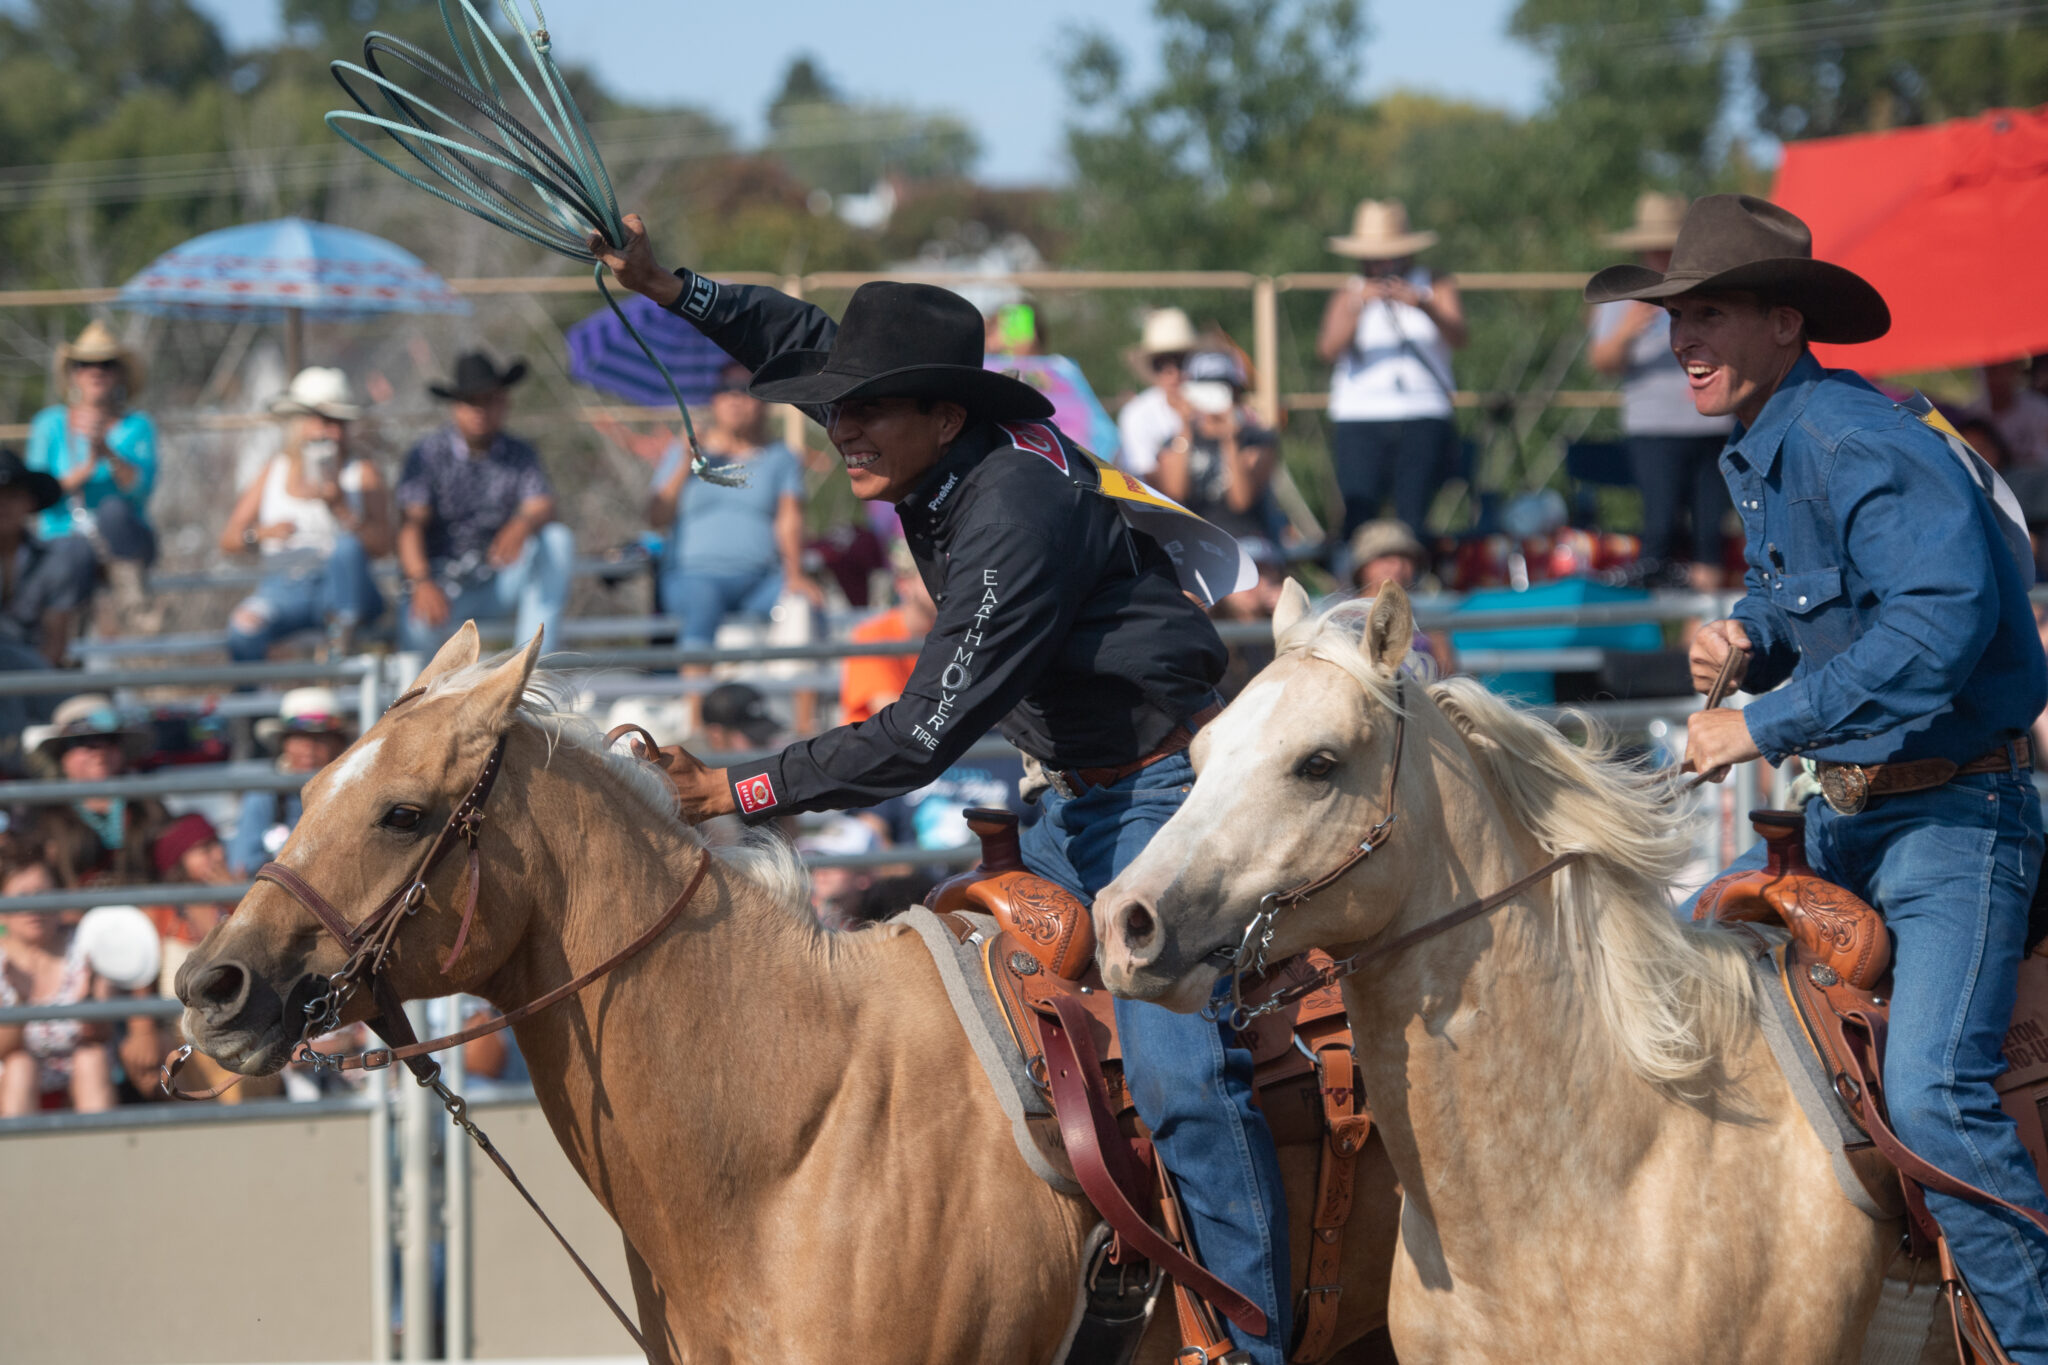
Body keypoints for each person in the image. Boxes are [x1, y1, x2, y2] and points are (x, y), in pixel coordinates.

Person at [596, 216, 1293, 1363]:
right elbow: (801, 335)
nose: (840, 431)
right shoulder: (944, 448)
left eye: (862, 411)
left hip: (1161, 801)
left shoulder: (1016, 512)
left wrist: (736, 789)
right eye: (836, 410)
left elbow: (922, 733)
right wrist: (674, 287)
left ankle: (1254, 1346)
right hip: (1073, 799)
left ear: (943, 417)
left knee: (1175, 1068)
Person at [1588, 193, 2048, 1355]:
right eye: (1670, 315)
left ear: (1783, 323)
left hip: (1952, 821)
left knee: (1936, 1102)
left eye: (1707, 313)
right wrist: (1749, 638)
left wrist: (1762, 723)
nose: (1678, 338)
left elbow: (1938, 625)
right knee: (1661, 1007)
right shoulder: (1782, 434)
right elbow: (1836, 606)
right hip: (1849, 823)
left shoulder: (1855, 442)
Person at [1588, 193, 1736, 589]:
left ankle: (1704, 633)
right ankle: (1659, 633)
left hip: (1713, 426)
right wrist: (1628, 328)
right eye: (1654, 248)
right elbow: (1602, 361)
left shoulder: (1712, 291)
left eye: (1668, 247)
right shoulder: (1621, 298)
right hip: (1654, 428)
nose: (1660, 255)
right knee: (1659, 529)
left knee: (1710, 535)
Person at [396, 351, 574, 654]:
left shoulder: (519, 453)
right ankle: (419, 697)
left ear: (504, 402)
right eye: (471, 401)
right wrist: (421, 581)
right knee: (417, 630)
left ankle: (531, 669)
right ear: (455, 407)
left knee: (557, 539)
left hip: (497, 578)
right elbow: (410, 525)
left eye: (488, 399)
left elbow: (542, 504)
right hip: (441, 584)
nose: (480, 410)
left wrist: (522, 523)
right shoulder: (427, 454)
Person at [1316, 199, 1467, 539]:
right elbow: (1327, 349)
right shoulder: (1349, 292)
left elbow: (1460, 336)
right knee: (1359, 516)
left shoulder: (1436, 284)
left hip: (1423, 412)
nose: (1382, 264)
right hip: (1360, 416)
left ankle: (1412, 586)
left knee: (1413, 515)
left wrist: (1423, 304)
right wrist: (1359, 305)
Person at [648, 361, 821, 649]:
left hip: (761, 579)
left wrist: (796, 576)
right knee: (703, 604)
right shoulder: (682, 453)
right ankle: (696, 694)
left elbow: (789, 519)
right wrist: (685, 461)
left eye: (746, 389)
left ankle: (800, 693)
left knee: (803, 607)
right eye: (725, 389)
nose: (734, 398)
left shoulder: (781, 457)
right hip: (692, 576)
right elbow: (656, 516)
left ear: (765, 402)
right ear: (713, 400)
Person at [220, 368, 391, 661]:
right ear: (299, 423)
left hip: (344, 589)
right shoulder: (274, 470)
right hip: (285, 588)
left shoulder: (360, 473)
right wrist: (262, 534)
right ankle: (252, 703)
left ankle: (340, 649)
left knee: (346, 548)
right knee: (243, 629)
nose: (332, 433)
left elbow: (384, 546)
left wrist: (341, 508)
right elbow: (229, 540)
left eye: (339, 422)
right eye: (323, 421)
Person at [25, 322, 159, 607]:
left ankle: (133, 610)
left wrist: (106, 451)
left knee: (114, 511)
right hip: (66, 544)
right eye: (85, 364)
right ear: (74, 374)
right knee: (73, 554)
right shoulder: (48, 424)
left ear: (120, 374)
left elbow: (142, 491)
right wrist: (83, 471)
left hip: (125, 548)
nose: (96, 371)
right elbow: (32, 494)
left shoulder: (138, 425)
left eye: (106, 364)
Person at [0, 843, 116, 1115]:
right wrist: (18, 1003)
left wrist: (90, 1008)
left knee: (92, 1057)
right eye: (22, 896)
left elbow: (104, 1033)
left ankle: (101, 1151)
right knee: (20, 1065)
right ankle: (15, 1154)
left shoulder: (85, 945)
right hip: (13, 1081)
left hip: (79, 1077)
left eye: (42, 895)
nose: (35, 907)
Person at [22, 694, 168, 886]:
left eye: (108, 740)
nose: (99, 751)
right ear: (63, 756)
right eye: (84, 742)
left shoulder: (150, 807)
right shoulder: (41, 818)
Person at [1151, 351, 1283, 546]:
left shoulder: (1258, 439)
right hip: (1194, 540)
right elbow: (1175, 493)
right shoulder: (1176, 441)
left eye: (1221, 388)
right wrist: (1185, 428)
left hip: (1246, 539)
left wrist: (1230, 440)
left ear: (1236, 392)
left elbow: (1241, 502)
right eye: (1204, 387)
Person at [225, 688, 353, 877]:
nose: (309, 748)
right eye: (300, 737)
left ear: (338, 745)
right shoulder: (263, 795)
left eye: (320, 738)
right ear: (284, 744)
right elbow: (243, 866)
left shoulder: (352, 796)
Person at [841, 540, 935, 725]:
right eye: (932, 577)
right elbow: (892, 715)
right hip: (875, 750)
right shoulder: (872, 635)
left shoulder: (956, 635)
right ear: (903, 584)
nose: (943, 587)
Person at [1116, 307, 1199, 479]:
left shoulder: (1215, 406)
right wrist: (1185, 430)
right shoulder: (1137, 413)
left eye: (1181, 361)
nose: (1173, 372)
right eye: (1161, 363)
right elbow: (1151, 483)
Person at [1975, 358, 2048, 468]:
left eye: (2004, 371)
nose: (1998, 378)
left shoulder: (2038, 410)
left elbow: (2042, 459)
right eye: (1992, 371)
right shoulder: (1975, 412)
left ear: (2015, 372)